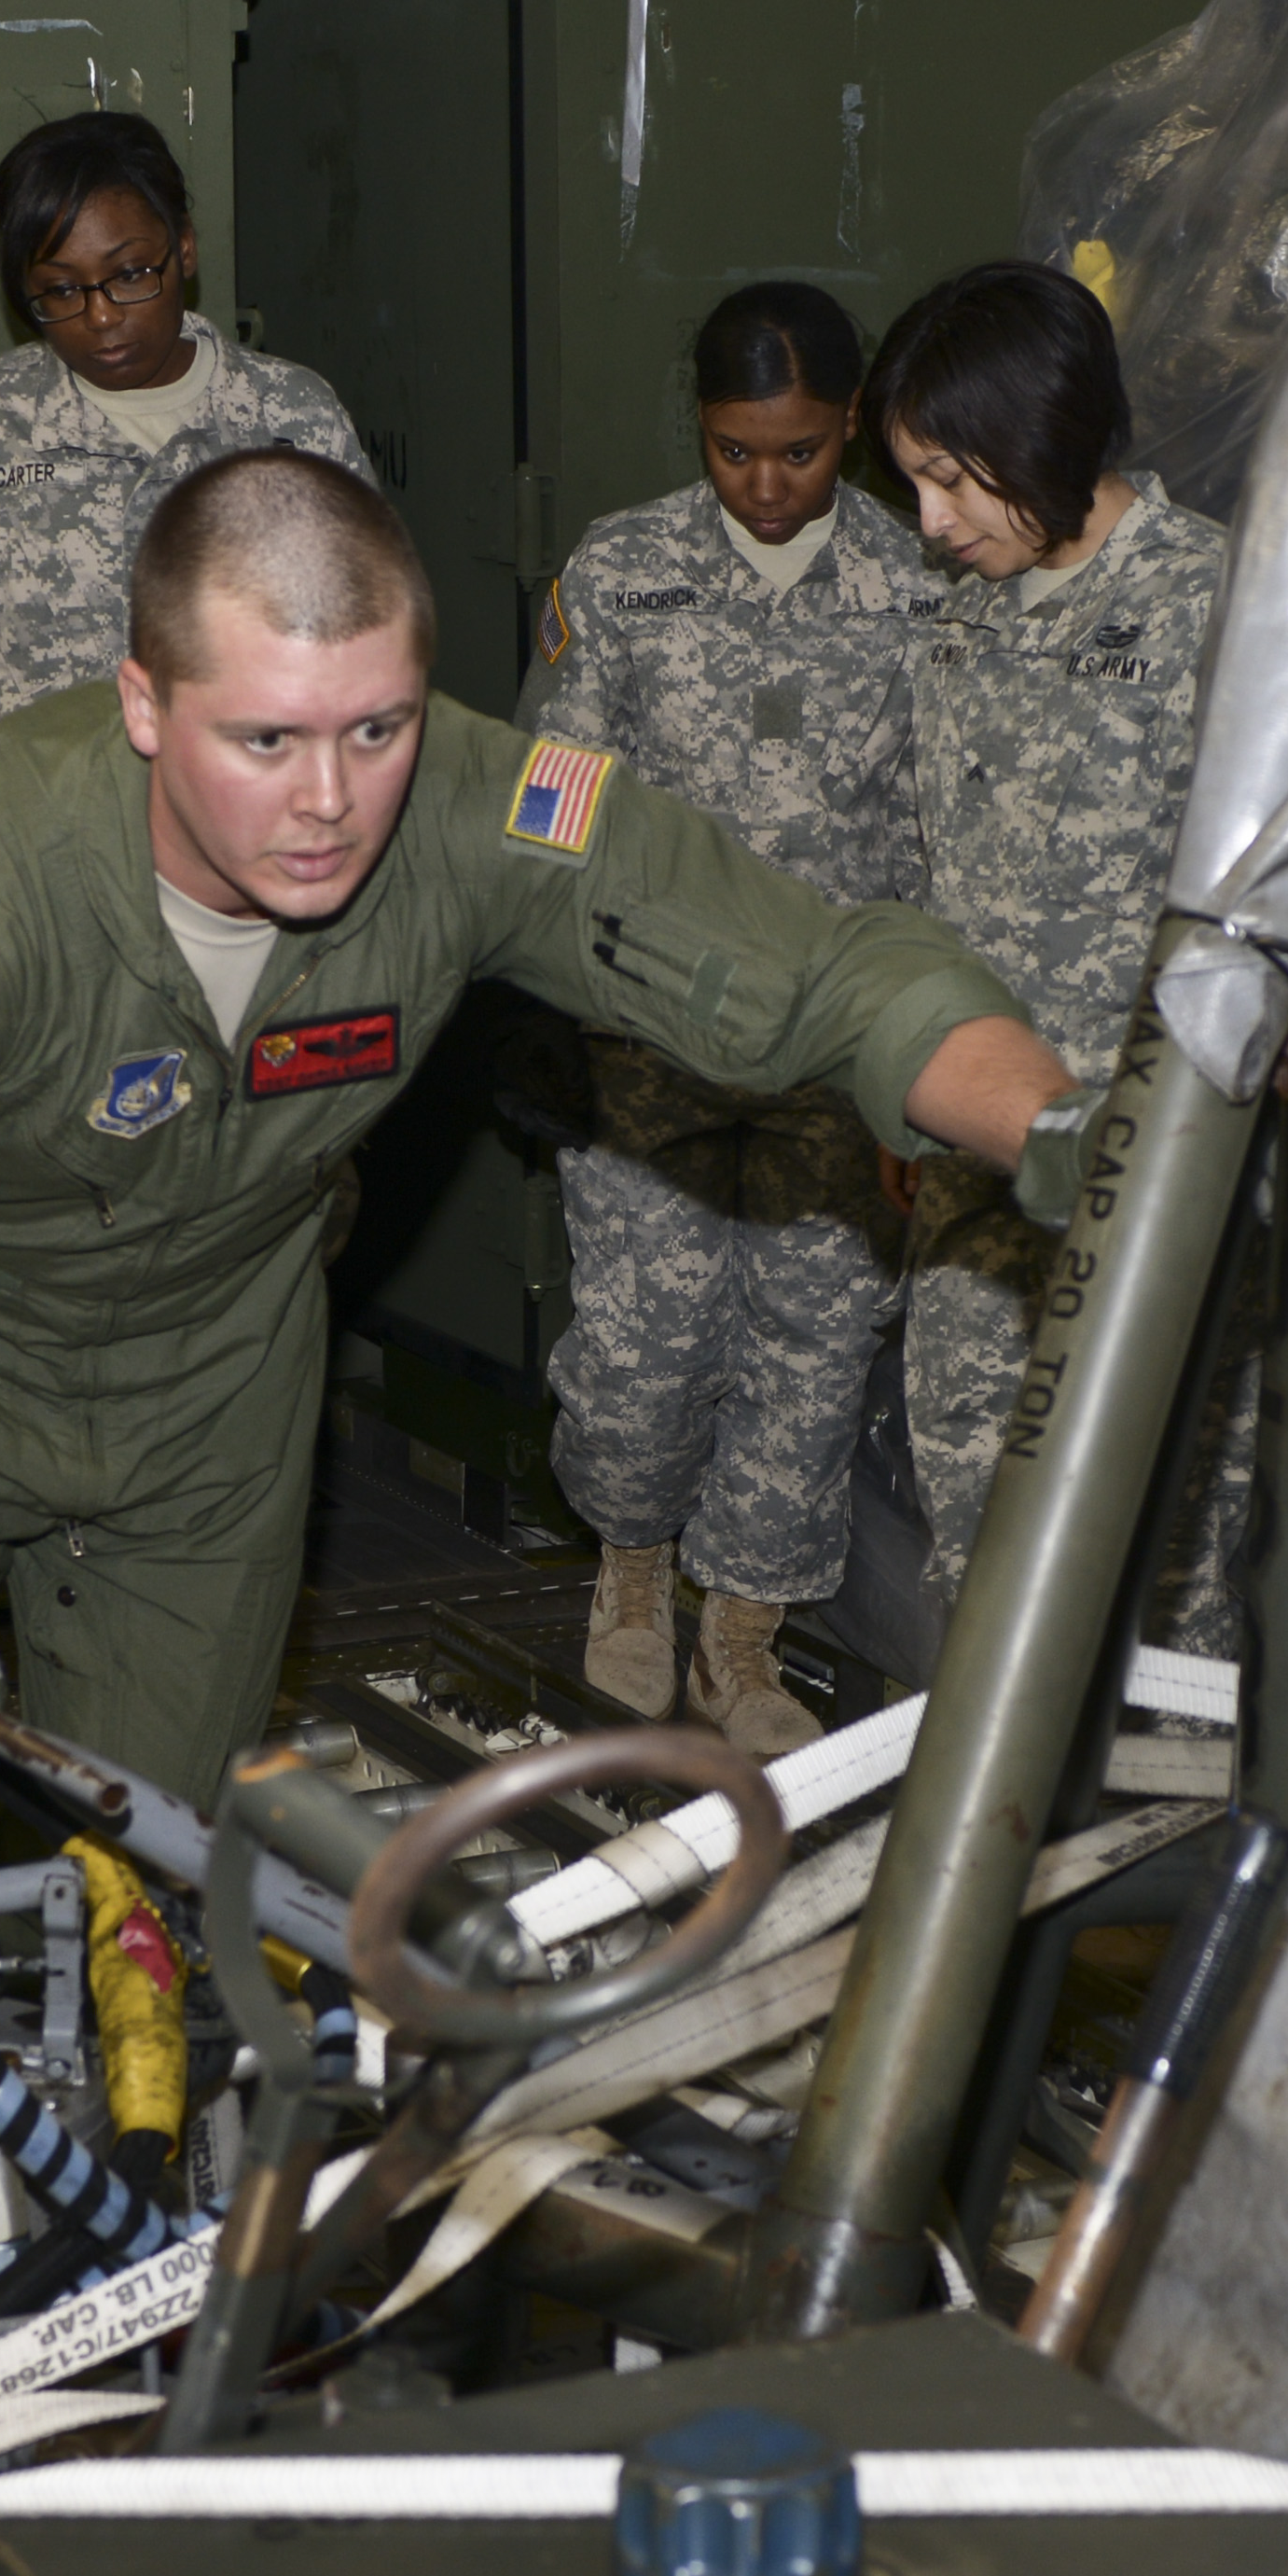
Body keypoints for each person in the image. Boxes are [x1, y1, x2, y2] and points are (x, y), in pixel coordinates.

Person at [0, 450, 1085, 1838]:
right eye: (264, 739)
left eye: (377, 728)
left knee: (144, 1887)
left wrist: (1075, 1131)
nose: (330, 802)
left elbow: (820, 973)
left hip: (211, 1400)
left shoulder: (471, 801)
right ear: (144, 704)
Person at [519, 284, 927, 1753]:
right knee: (640, 1352)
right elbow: (553, 795)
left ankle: (741, 1637)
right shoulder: (623, 572)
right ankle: (630, 1578)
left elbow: (947, 835)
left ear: (854, 433)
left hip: (835, 1057)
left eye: (802, 453)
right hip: (653, 1049)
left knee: (809, 1354)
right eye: (732, 450)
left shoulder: (917, 591)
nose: (766, 485)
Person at [872, 260, 1248, 1641]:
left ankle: (1167, 1838)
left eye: (954, 480)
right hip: (979, 1160)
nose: (930, 521)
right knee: (975, 1535)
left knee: (1169, 1549)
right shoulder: (955, 626)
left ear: (1045, 436)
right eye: (912, 482)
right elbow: (928, 870)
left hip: (1149, 1161)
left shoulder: (1219, 610)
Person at [0, 110, 368, 813]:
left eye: (131, 274)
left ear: (187, 250)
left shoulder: (292, 421)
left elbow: (359, 672)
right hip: (50, 864)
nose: (102, 316)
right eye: (60, 290)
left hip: (255, 850)